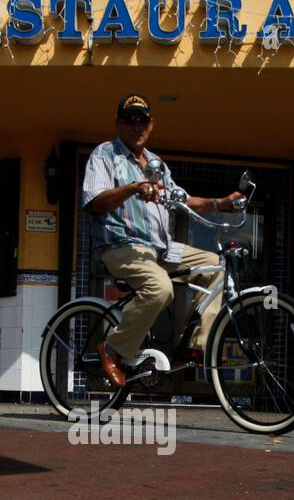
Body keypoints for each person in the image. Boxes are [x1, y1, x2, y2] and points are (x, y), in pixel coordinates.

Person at [81, 93, 246, 387]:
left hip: (161, 249)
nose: (137, 127)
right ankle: (113, 347)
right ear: (118, 123)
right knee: (160, 287)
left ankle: (199, 345)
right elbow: (96, 201)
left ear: (151, 124)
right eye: (130, 120)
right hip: (120, 245)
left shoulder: (157, 163)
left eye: (142, 120)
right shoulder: (105, 154)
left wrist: (221, 203)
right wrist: (133, 188)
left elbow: (183, 200)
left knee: (218, 266)